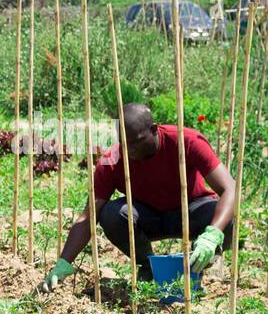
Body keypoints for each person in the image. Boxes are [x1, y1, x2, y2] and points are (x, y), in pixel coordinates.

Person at [40, 103, 236, 292]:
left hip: (190, 211)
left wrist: (212, 234)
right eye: (125, 144)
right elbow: (89, 216)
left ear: (154, 129)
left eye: (137, 142)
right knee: (110, 214)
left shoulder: (186, 141)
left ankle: (196, 264)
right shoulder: (112, 161)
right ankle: (149, 268)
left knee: (226, 223)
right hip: (147, 217)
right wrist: (64, 262)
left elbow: (229, 188)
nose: (130, 150)